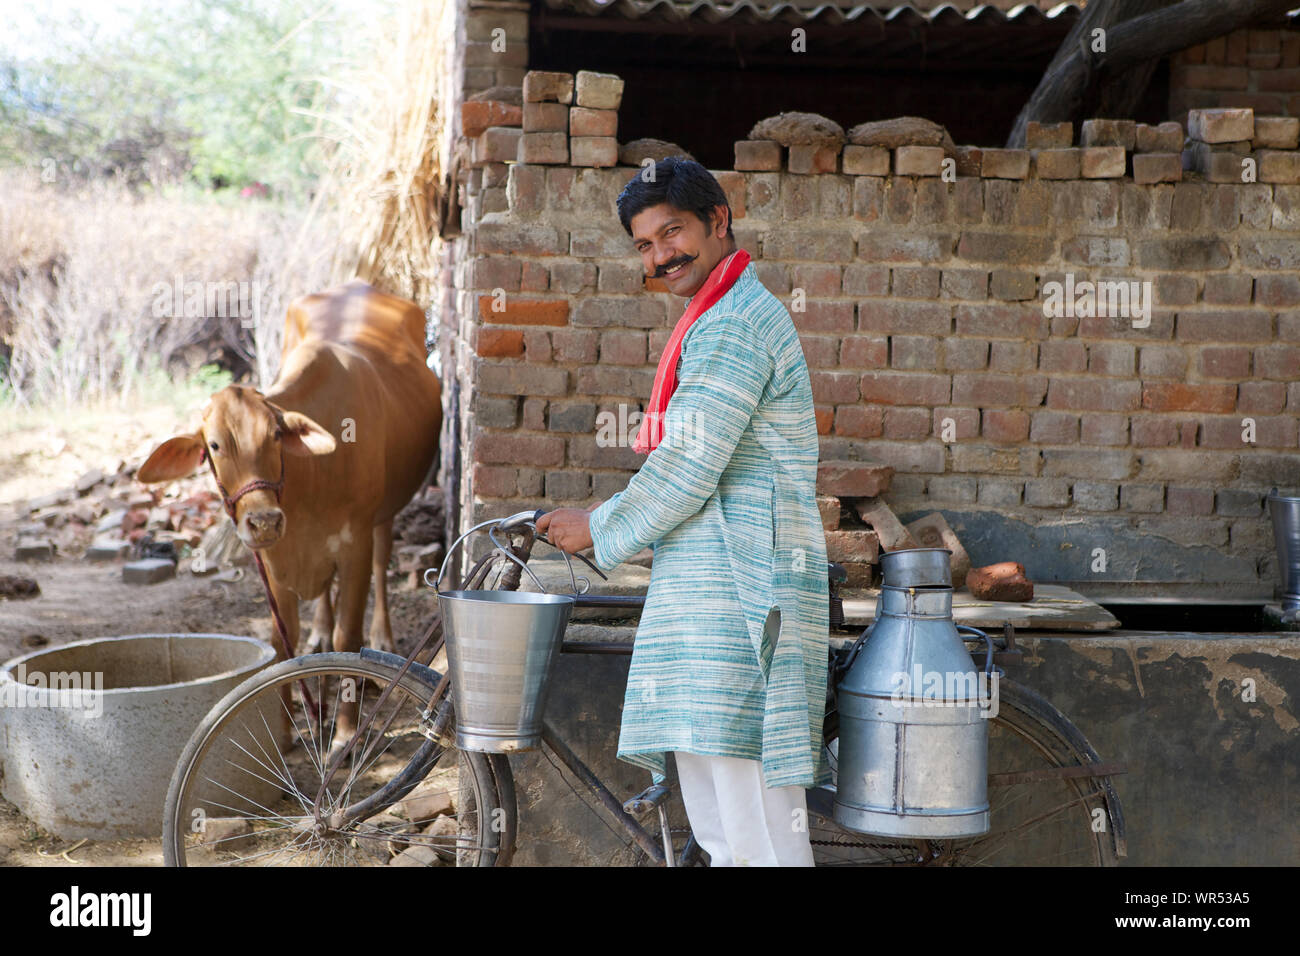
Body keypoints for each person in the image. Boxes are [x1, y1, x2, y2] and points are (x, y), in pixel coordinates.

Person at [535, 157, 829, 867]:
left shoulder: (731, 325)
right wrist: (613, 509)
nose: (661, 255)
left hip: (741, 595)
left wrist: (601, 528)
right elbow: (704, 458)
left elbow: (690, 467)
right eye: (644, 244)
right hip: (718, 596)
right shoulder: (721, 313)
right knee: (728, 834)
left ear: (718, 223)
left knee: (755, 835)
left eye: (674, 233)